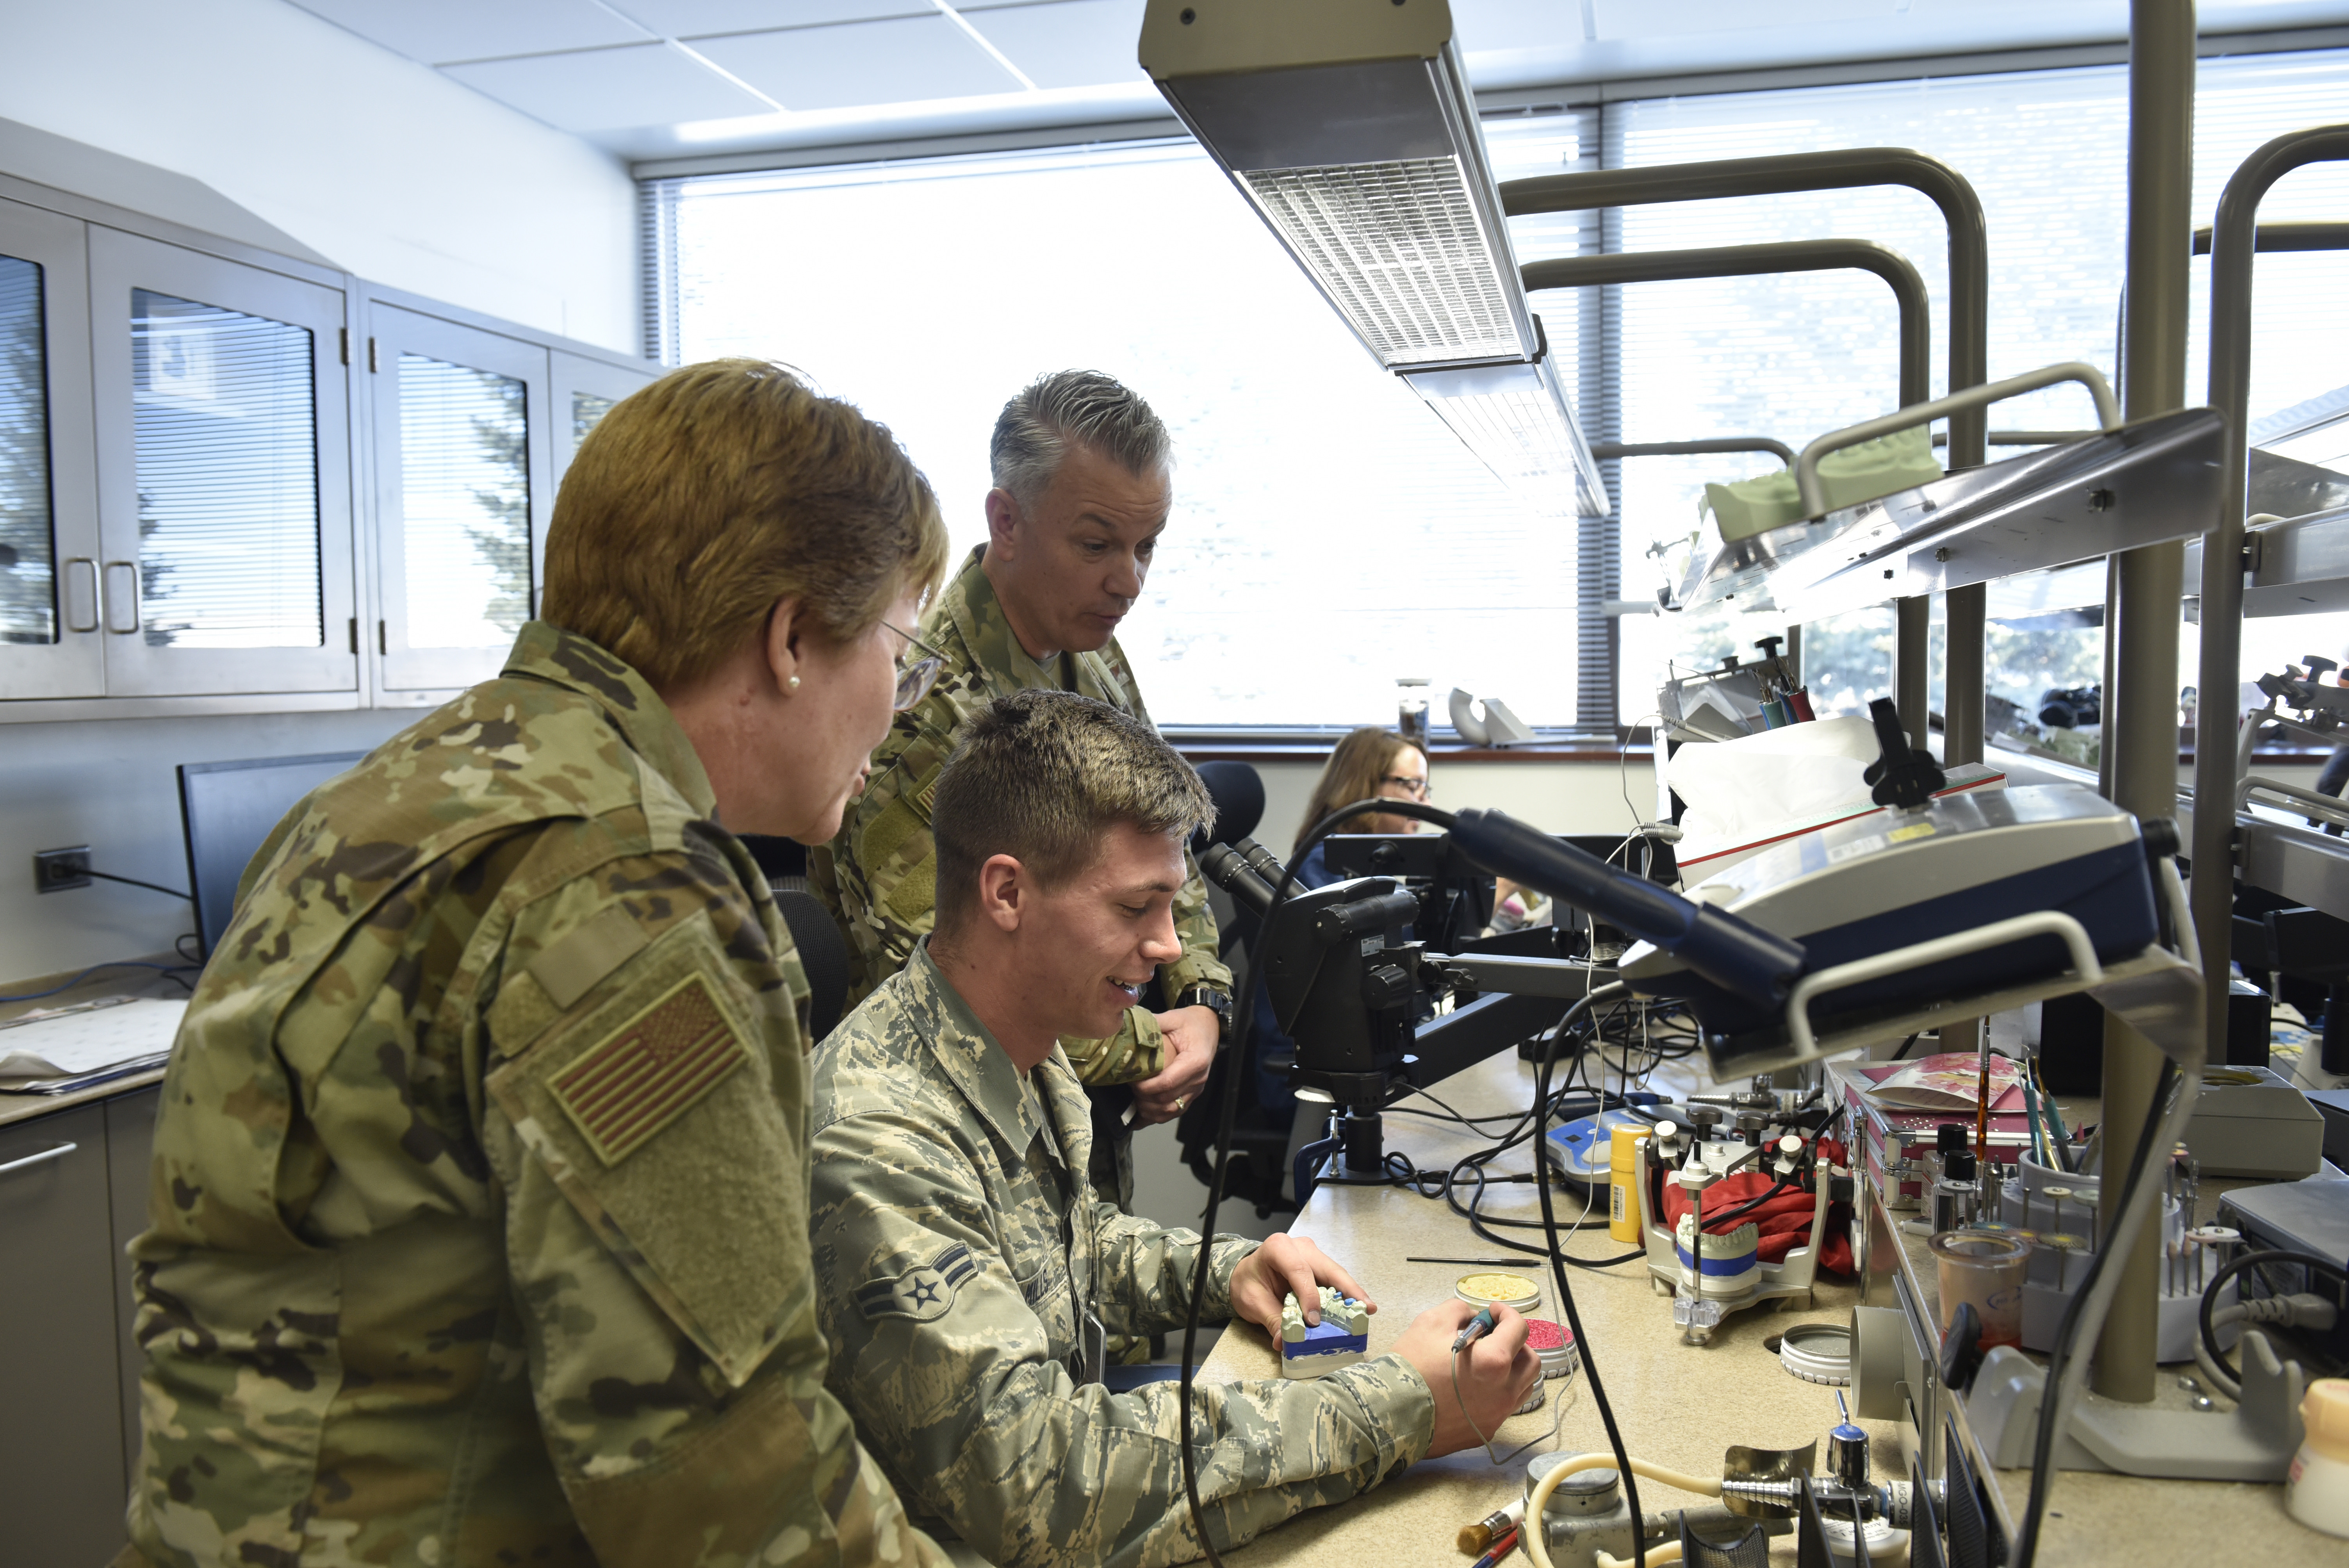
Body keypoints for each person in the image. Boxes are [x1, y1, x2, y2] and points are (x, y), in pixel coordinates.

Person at [121, 361, 953, 1568]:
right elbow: (715, 1472)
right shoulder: (626, 887)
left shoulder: (367, 802)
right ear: (787, 638)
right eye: (900, 652)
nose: (902, 705)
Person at [808, 690, 1539, 1568]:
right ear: (1006, 892)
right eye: (1132, 908)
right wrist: (1401, 1404)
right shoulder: (880, 1136)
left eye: (1172, 907)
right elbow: (1039, 1482)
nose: (1165, 947)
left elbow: (1065, 1250)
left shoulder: (1021, 1042)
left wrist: (1229, 1268)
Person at [811, 369, 1233, 1211]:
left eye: (1146, 547)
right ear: (1006, 521)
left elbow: (1163, 851)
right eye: (1096, 544)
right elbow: (961, 977)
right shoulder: (917, 707)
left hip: (1080, 1126)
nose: (1129, 581)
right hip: (951, 1156)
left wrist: (1205, 999)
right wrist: (1163, 1045)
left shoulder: (1095, 656)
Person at [1250, 727, 1432, 1115]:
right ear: (1366, 784)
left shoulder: (1361, 869)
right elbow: (1371, 975)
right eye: (1412, 785)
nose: (1422, 801)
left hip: (1351, 1065)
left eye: (1425, 788)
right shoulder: (1322, 872)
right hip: (1311, 1080)